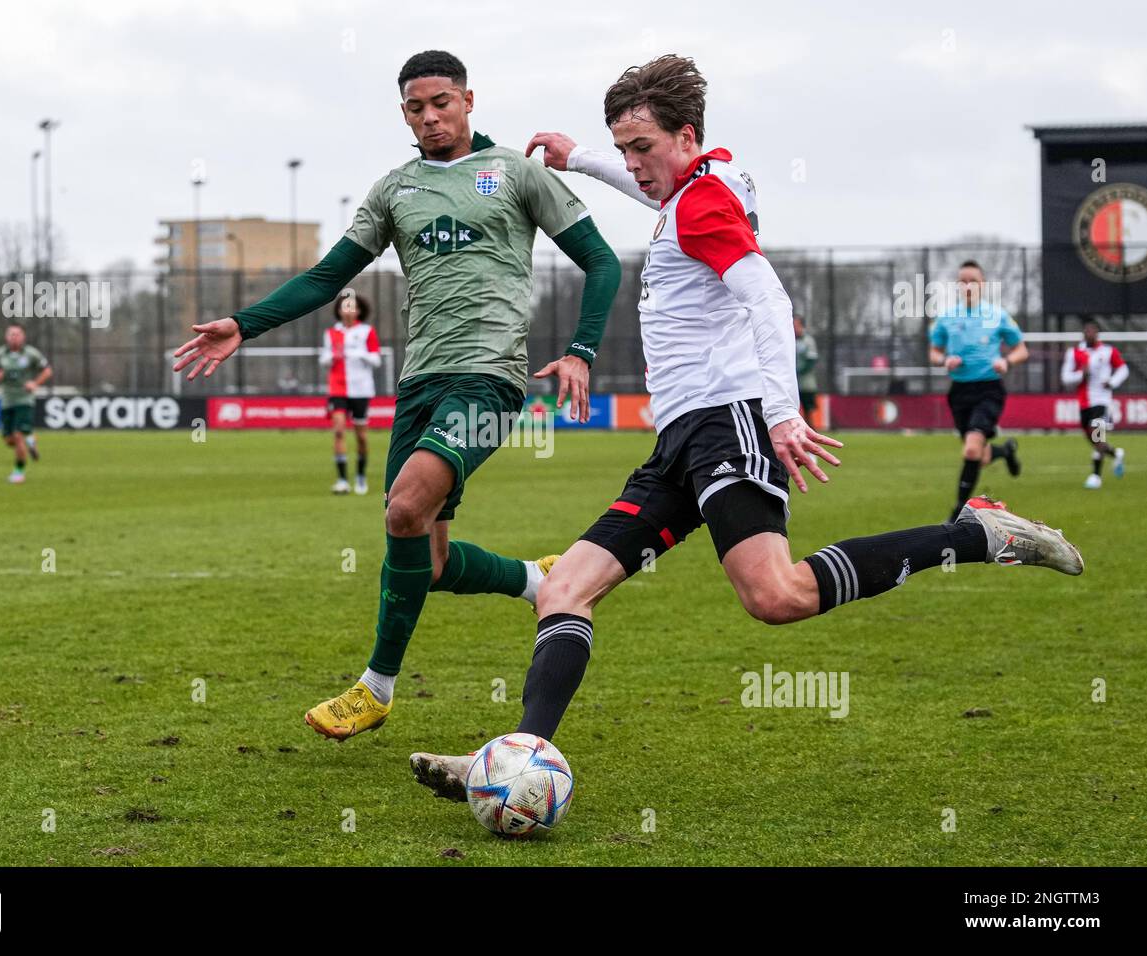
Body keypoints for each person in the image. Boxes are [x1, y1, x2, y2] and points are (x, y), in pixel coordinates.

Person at [410, 54, 1083, 801]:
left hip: (727, 425)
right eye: (624, 148)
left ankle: (978, 535)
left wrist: (783, 414)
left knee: (777, 598)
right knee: (563, 587)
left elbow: (765, 296)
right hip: (679, 440)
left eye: (643, 149)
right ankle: (520, 752)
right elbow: (650, 177)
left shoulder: (700, 204)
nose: (635, 166)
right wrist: (583, 158)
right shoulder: (704, 182)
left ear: (688, 136)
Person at [172, 50, 622, 740]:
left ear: (469, 100)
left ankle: (375, 688)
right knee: (429, 560)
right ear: (403, 114)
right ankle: (536, 580)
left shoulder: (517, 174)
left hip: (489, 378)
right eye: (416, 107)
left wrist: (581, 352)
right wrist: (243, 323)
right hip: (419, 384)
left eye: (442, 102)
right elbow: (327, 278)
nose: (431, 116)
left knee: (404, 507)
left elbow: (600, 259)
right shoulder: (394, 190)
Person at [928, 260, 1026, 522]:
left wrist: (1007, 361)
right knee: (978, 456)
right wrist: (943, 360)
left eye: (973, 280)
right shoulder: (947, 318)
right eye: (962, 281)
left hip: (988, 389)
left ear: (983, 285)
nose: (967, 285)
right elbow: (934, 352)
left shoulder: (997, 315)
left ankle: (958, 511)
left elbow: (1021, 349)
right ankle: (1005, 451)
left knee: (971, 451)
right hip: (959, 392)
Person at [321, 290, 381, 495]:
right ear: (338, 310)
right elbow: (324, 359)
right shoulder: (331, 333)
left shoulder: (366, 331)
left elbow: (376, 359)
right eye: (344, 306)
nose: (348, 310)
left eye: (352, 306)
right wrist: (332, 356)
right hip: (337, 388)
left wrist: (358, 353)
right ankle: (342, 480)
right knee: (338, 431)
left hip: (361, 389)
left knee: (361, 437)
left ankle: (361, 477)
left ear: (359, 311)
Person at [1061, 319, 1128, 489]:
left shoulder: (1108, 351)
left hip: (1102, 400)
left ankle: (1095, 476)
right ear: (1084, 333)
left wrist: (1112, 382)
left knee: (1097, 434)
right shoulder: (1075, 352)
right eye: (1087, 331)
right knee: (1093, 437)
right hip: (1084, 403)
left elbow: (1123, 369)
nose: (1090, 334)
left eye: (1093, 331)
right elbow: (1065, 377)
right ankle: (1116, 453)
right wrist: (1080, 375)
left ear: (1097, 333)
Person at [0, 322, 51, 484]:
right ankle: (30, 439)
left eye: (17, 334)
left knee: (18, 436)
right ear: (6, 337)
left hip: (24, 400)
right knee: (9, 440)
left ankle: (19, 472)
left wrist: (35, 383)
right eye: (11, 334)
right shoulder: (0, 353)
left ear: (23, 337)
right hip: (7, 400)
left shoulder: (31, 354)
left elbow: (47, 370)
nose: (14, 337)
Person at [794, 316, 821, 431]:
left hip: (806, 384)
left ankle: (811, 434)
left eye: (796, 325)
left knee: (807, 411)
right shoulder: (789, 339)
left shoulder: (808, 341)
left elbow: (812, 360)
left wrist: (799, 371)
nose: (794, 327)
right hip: (792, 383)